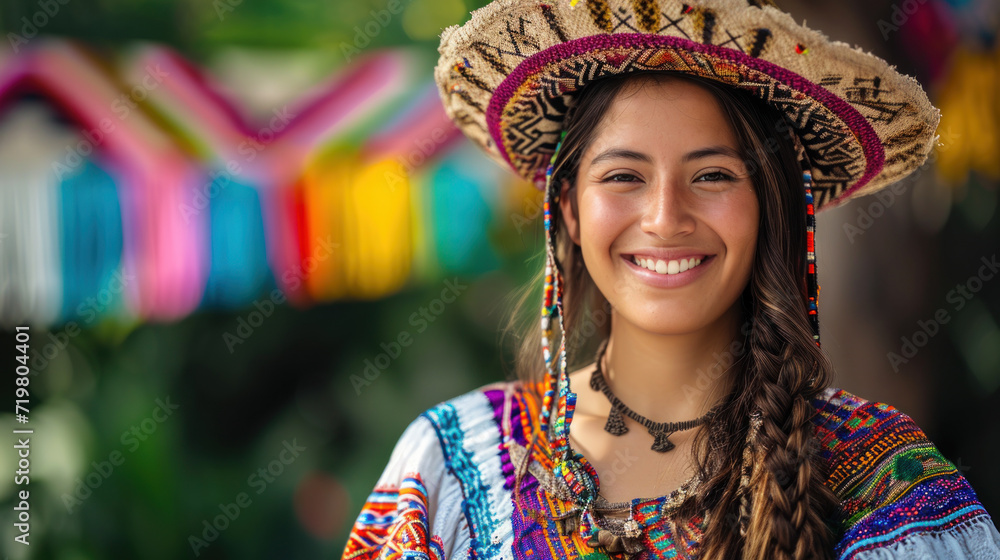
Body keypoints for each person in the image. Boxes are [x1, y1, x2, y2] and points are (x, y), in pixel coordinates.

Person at [342, 1, 1000, 558]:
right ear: (568, 208)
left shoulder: (887, 484)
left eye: (712, 175)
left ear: (772, 206)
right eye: (624, 177)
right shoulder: (452, 471)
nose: (665, 219)